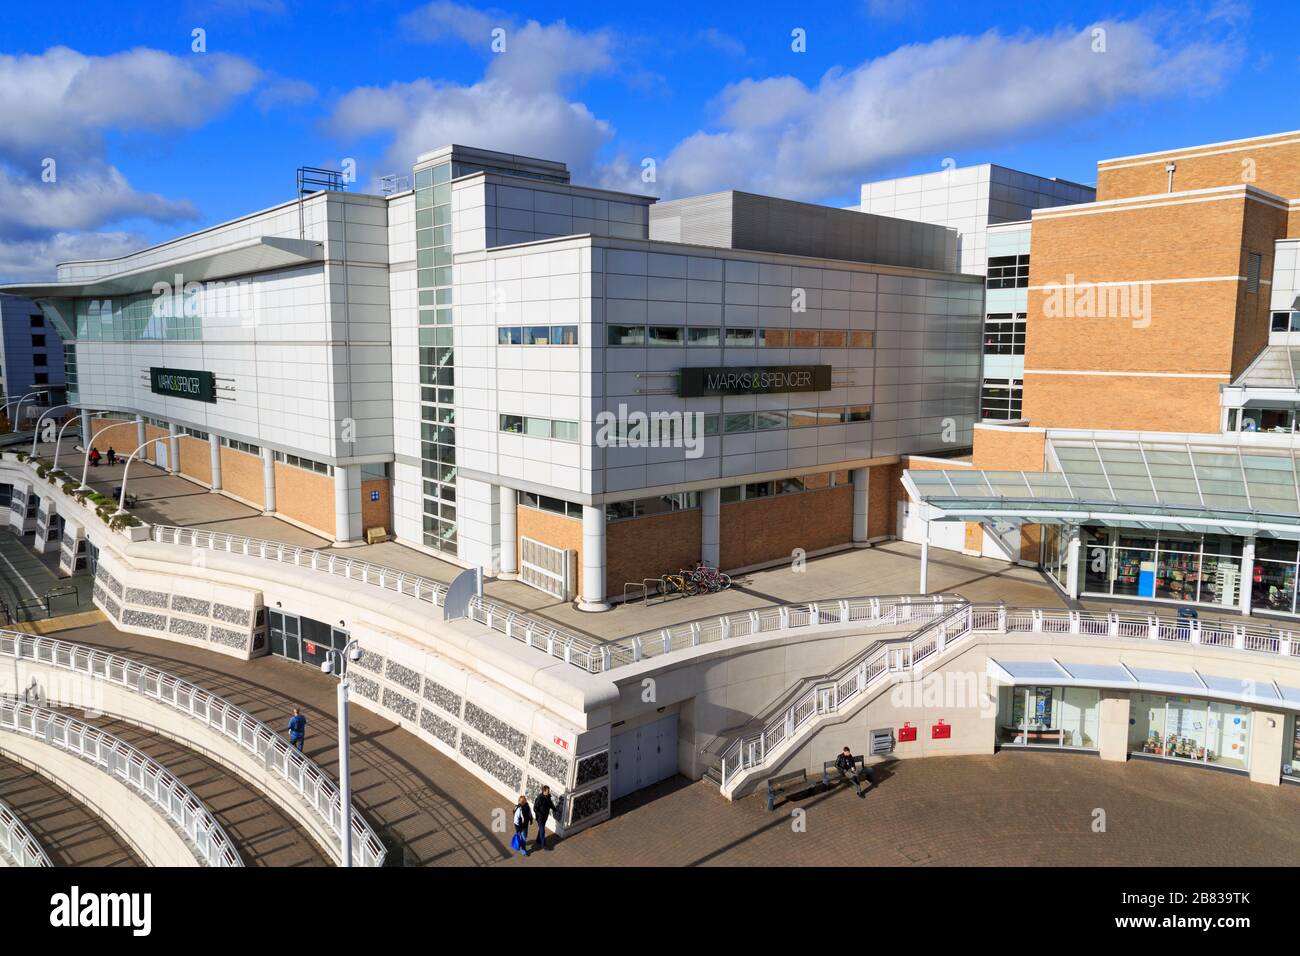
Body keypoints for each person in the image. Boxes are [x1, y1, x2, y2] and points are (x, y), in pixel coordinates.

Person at [533, 786, 556, 850]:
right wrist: (540, 815)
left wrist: (555, 809)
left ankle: (538, 840)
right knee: (542, 831)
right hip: (540, 818)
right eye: (548, 791)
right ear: (544, 791)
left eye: (549, 791)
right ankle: (543, 845)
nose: (549, 792)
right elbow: (535, 808)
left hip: (545, 817)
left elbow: (550, 804)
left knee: (541, 829)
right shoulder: (539, 798)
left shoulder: (548, 796)